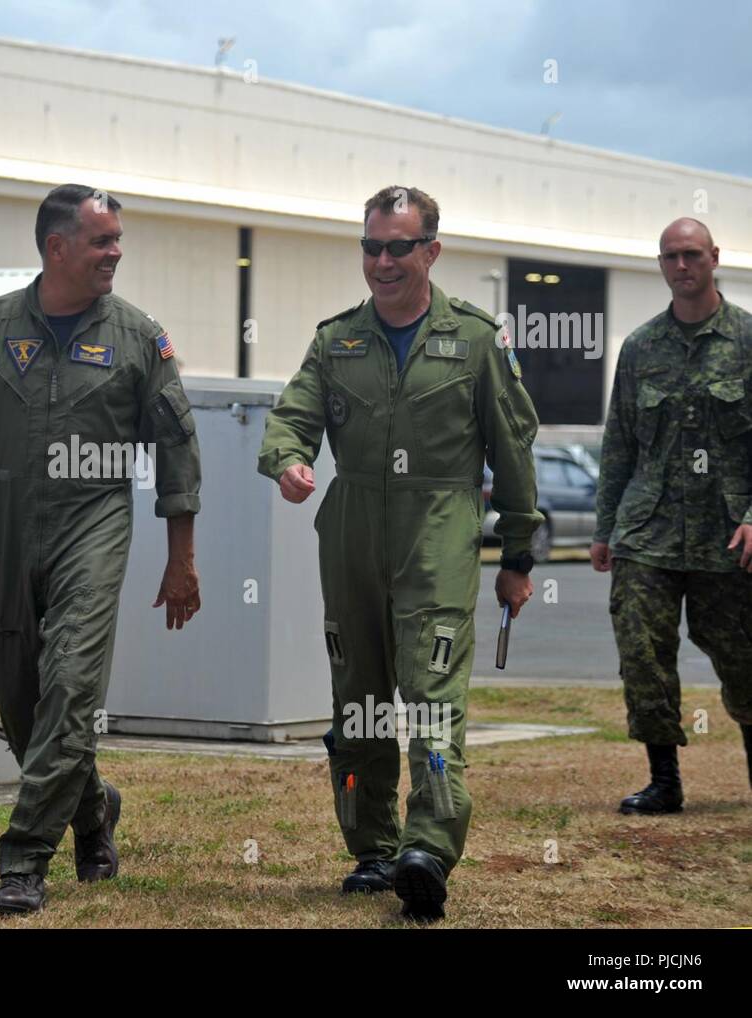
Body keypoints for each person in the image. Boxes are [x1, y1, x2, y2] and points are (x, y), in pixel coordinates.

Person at [257, 185, 541, 921]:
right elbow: (292, 417)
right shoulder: (336, 340)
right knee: (360, 701)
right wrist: (287, 461)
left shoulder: (477, 340)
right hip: (350, 534)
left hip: (439, 533)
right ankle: (373, 850)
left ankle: (429, 847)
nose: (382, 262)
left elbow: (512, 454)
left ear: (431, 251)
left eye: (399, 247)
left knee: (431, 695)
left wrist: (518, 554)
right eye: (372, 247)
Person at [0, 183, 202, 915]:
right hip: (6, 523)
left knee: (71, 685)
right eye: (103, 240)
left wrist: (182, 558)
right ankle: (92, 808)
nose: (117, 251)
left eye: (117, 239)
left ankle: (23, 858)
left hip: (95, 523)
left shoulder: (141, 338)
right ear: (57, 248)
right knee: (21, 701)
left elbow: (178, 451)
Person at [591, 217, 752, 815]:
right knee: (642, 652)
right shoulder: (639, 348)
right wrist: (606, 528)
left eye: (691, 255)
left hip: (727, 531)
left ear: (715, 257)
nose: (681, 266)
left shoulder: (746, 340)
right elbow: (620, 445)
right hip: (647, 529)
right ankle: (664, 781)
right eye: (670, 257)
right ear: (661, 265)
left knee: (741, 655)